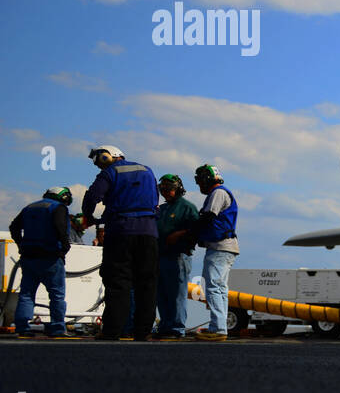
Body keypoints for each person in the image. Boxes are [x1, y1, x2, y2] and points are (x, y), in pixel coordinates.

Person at [82, 145, 159, 341]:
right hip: (148, 232)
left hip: (121, 231)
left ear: (109, 157)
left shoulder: (110, 172)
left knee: (118, 282)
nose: (100, 166)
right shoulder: (147, 170)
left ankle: (112, 330)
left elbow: (92, 196)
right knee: (147, 283)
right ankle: (143, 331)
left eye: (100, 161)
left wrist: (88, 216)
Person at [7, 187, 74, 339]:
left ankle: (22, 327)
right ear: (63, 197)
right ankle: (58, 328)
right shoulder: (58, 208)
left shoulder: (29, 207)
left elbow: (14, 227)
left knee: (26, 294)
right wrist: (64, 247)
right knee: (57, 294)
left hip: (29, 257)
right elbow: (60, 227)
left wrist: (21, 245)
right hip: (50, 257)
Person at [185, 164, 238, 342]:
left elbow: (208, 217)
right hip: (225, 247)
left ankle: (217, 328)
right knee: (220, 289)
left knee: (213, 287)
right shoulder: (221, 193)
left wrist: (189, 233)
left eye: (200, 181)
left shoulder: (218, 193)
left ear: (207, 180)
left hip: (219, 247)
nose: (199, 185)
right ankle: (220, 327)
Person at [155, 174, 198, 340]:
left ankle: (176, 327)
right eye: (163, 189)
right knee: (162, 293)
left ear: (178, 189)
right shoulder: (162, 209)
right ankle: (165, 326)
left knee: (177, 294)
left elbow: (196, 230)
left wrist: (180, 234)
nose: (166, 192)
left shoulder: (187, 207)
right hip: (161, 256)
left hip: (179, 256)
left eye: (169, 189)